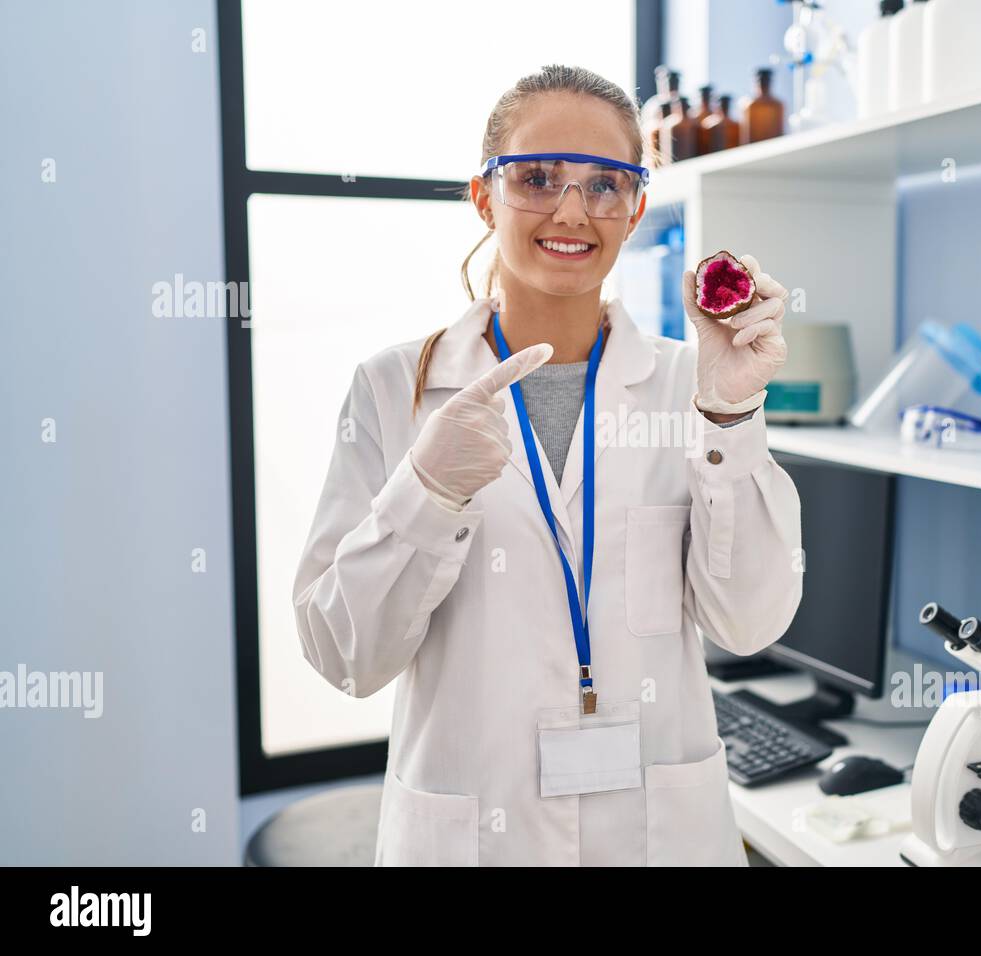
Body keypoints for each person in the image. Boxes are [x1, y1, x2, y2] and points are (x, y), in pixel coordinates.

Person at [292, 64, 802, 866]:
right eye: (535, 177)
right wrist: (425, 493)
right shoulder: (396, 389)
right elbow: (344, 656)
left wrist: (731, 416)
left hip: (654, 834)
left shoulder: (688, 388)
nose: (572, 210)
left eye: (606, 183)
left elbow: (751, 622)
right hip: (474, 832)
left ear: (636, 208)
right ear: (484, 195)